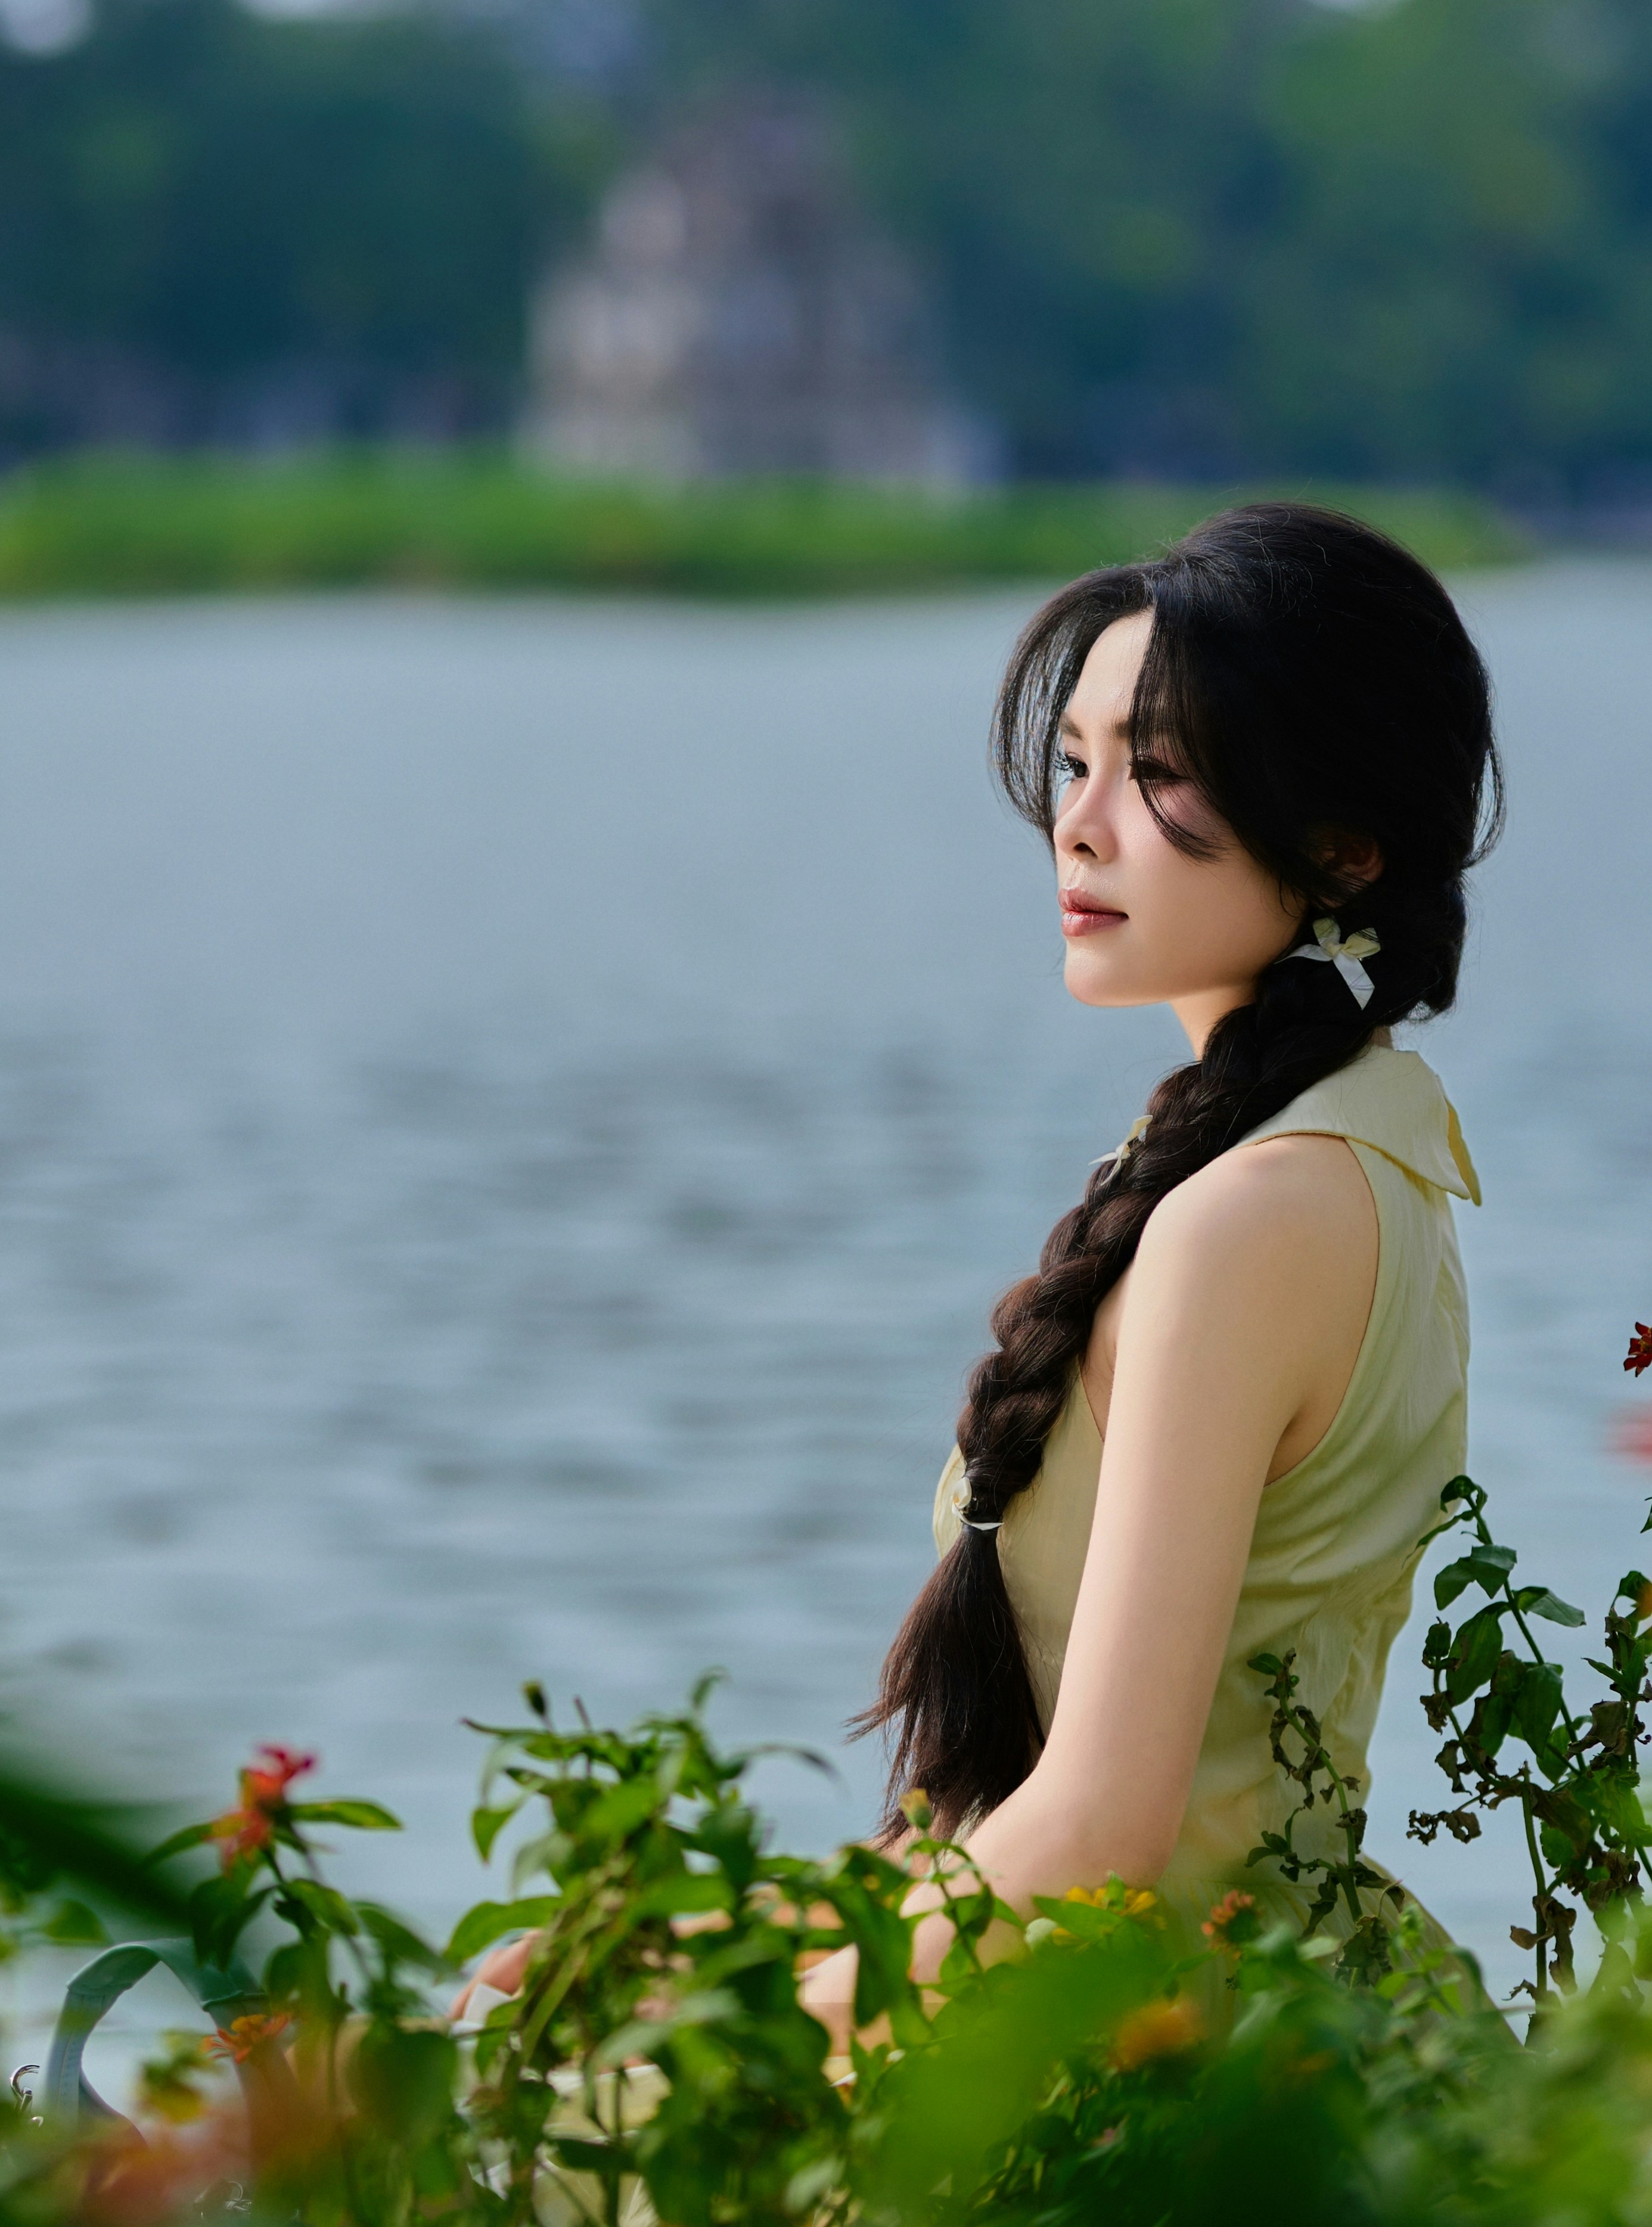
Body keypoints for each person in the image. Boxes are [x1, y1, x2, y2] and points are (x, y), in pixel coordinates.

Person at [458, 501, 1499, 2048]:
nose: (1082, 823)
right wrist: (703, 1945)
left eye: (1158, 771)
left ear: (1343, 843)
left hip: (1155, 2057)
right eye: (1076, 763)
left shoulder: (1257, 1218)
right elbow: (1017, 1826)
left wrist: (725, 2047)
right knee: (536, 2003)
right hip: (1145, 1987)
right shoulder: (1308, 1156)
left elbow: (1101, 1839)